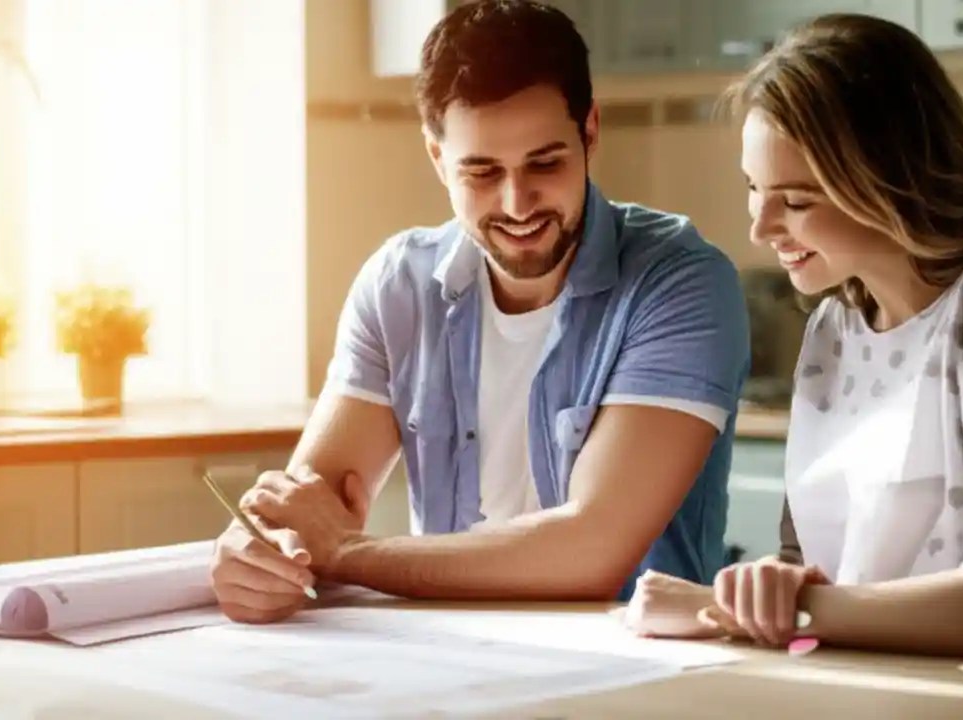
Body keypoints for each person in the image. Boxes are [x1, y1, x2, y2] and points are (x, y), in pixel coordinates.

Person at [620, 13, 963, 660]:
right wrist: (765, 591)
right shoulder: (832, 330)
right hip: (847, 687)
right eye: (754, 189)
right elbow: (806, 565)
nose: (760, 228)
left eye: (796, 201)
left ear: (888, 182)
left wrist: (760, 609)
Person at [208, 0, 750, 624]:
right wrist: (258, 556)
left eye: (545, 163)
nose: (517, 204)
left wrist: (348, 554)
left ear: (591, 131)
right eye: (482, 172)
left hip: (633, 661)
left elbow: (591, 552)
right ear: (437, 158)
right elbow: (300, 517)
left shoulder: (679, 282)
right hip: (448, 654)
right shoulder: (400, 287)